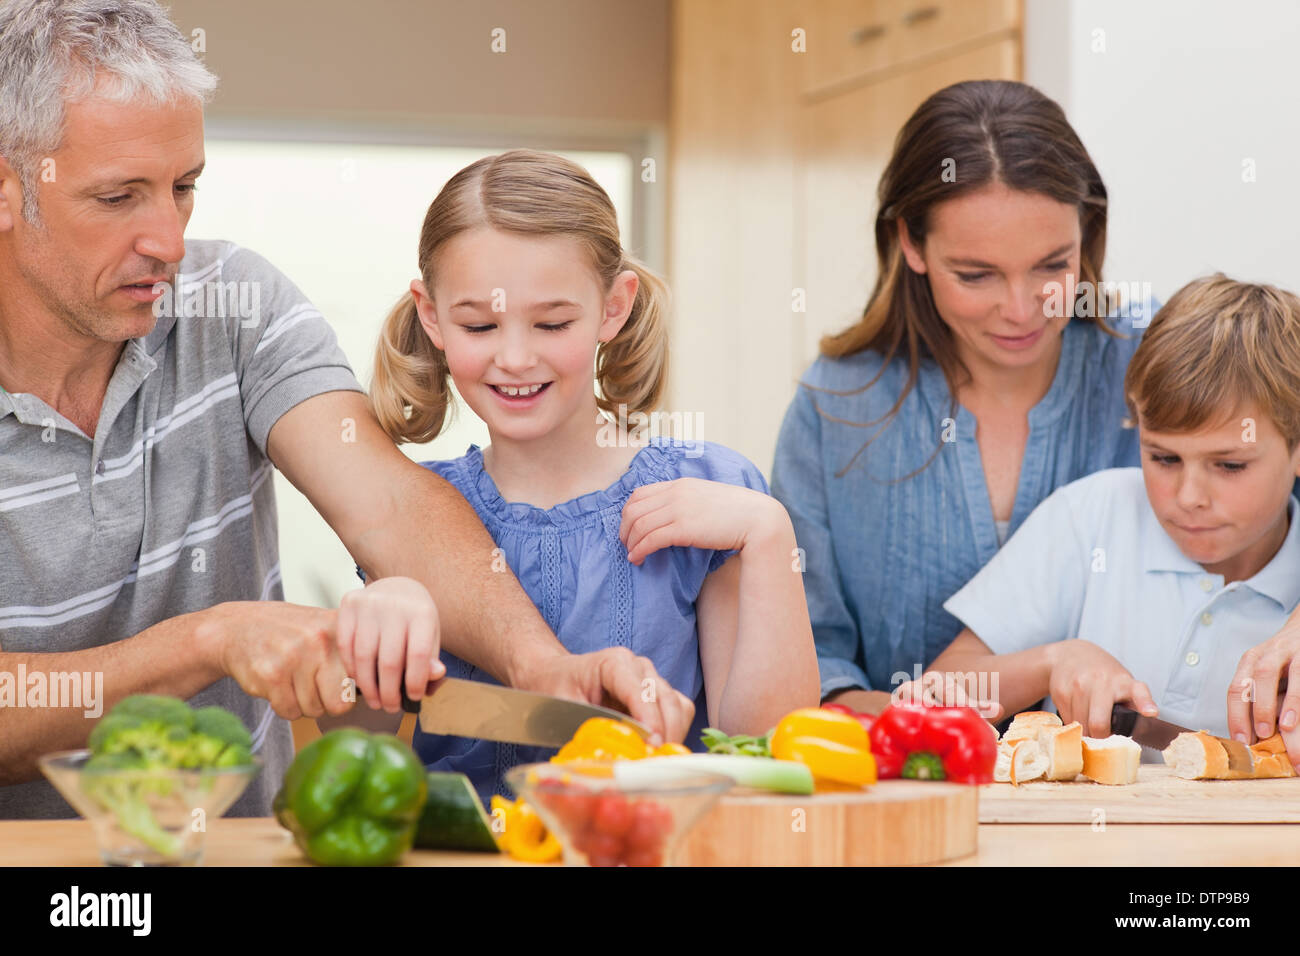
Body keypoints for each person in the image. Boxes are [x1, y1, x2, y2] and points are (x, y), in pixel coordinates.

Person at [0, 0, 690, 819]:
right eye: (119, 197)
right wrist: (209, 639)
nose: (171, 241)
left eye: (183, 187)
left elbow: (389, 504)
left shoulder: (234, 306)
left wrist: (541, 666)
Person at [360, 149, 819, 800]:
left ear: (613, 306)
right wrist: (377, 613)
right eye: (479, 324)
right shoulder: (413, 510)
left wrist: (769, 535)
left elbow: (766, 754)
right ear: (431, 316)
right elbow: (360, 750)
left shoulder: (710, 496)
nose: (515, 357)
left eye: (552, 322)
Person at [770, 80, 1155, 718]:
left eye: (1053, 265)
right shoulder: (835, 406)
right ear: (911, 245)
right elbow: (809, 669)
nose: (1021, 309)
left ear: (1088, 234)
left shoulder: (1158, 362)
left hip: (1140, 800)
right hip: (909, 786)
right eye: (976, 275)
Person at [920, 276, 1300, 747]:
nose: (1188, 496)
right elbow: (938, 692)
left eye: (1229, 465)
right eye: (1163, 458)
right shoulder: (1091, 518)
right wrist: (1052, 663)